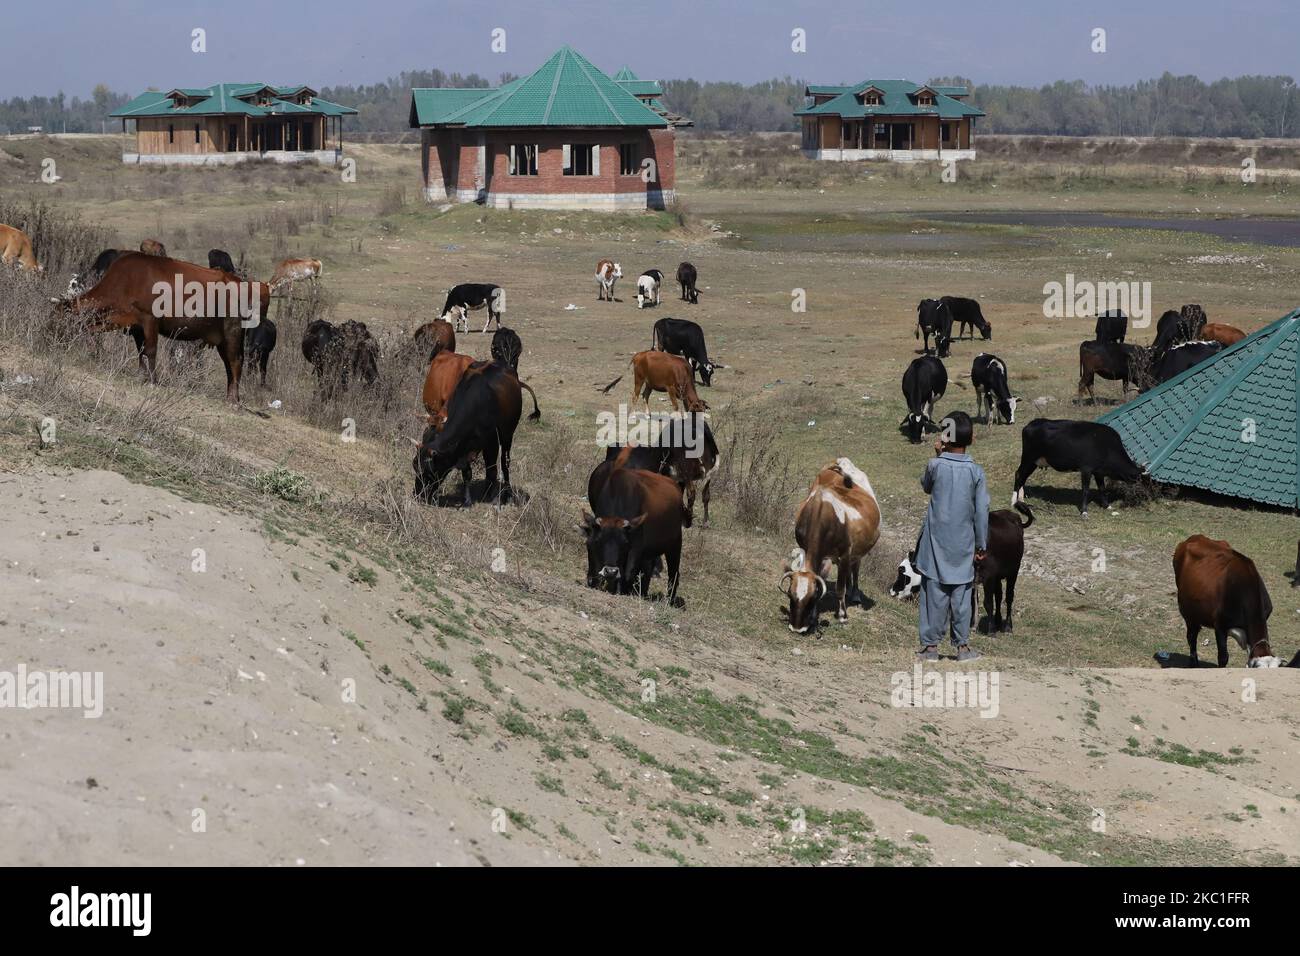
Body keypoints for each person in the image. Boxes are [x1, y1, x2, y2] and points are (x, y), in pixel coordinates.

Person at [915, 411, 989, 661]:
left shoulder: (935, 465)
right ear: (972, 438)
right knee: (961, 594)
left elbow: (927, 486)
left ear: (945, 438)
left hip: (936, 543)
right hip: (964, 544)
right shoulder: (976, 472)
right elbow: (981, 512)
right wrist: (982, 544)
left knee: (933, 591)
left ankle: (930, 648)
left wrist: (938, 454)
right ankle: (963, 648)